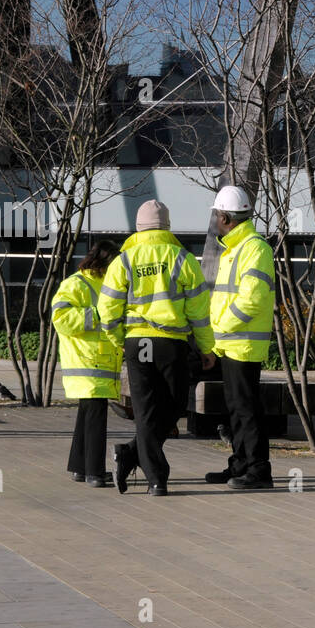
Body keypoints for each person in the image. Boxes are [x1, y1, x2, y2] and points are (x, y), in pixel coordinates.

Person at [98, 200, 216, 496]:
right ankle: (156, 477)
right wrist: (206, 347)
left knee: (146, 410)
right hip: (170, 343)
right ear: (167, 226)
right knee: (175, 405)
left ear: (138, 227)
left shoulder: (124, 260)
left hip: (138, 342)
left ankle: (131, 454)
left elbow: (107, 307)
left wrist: (118, 341)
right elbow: (199, 310)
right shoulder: (183, 258)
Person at [203, 185, 277, 490]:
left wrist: (220, 328)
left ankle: (259, 470)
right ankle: (241, 464)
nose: (214, 221)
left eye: (216, 216)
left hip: (242, 342)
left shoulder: (254, 248)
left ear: (225, 216)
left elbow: (252, 300)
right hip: (232, 342)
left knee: (247, 409)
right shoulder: (236, 248)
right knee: (236, 408)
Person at [52, 239, 122, 488]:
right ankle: (94, 471)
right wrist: (100, 314)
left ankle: (80, 467)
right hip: (88, 362)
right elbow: (60, 319)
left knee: (87, 414)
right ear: (103, 261)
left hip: (98, 361)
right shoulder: (75, 284)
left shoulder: (106, 284)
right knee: (95, 416)